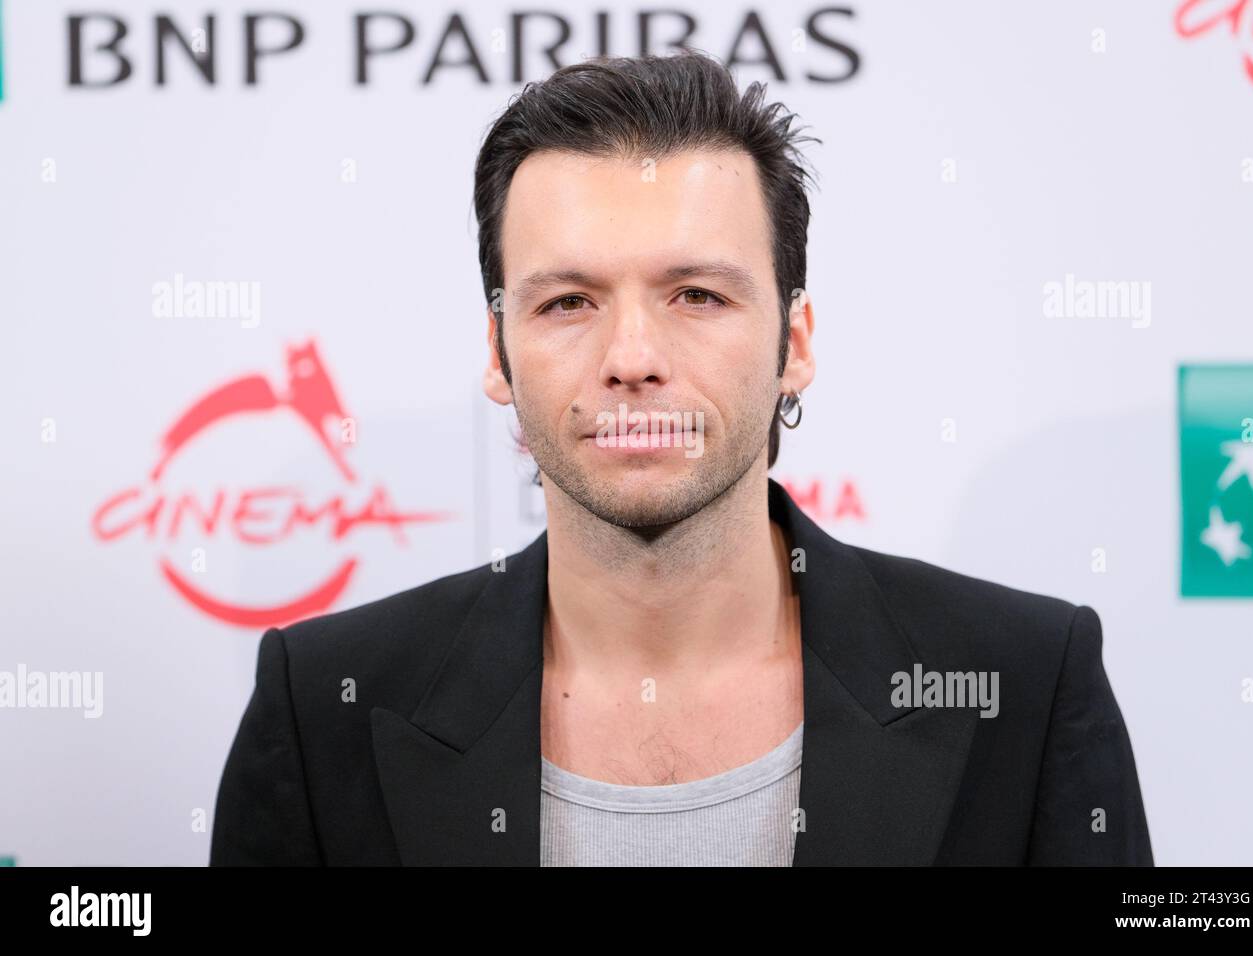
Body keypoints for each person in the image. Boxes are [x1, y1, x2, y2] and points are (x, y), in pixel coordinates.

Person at [210, 49, 1153, 866]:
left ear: (796, 343)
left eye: (697, 295)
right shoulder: (324, 704)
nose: (632, 360)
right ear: (497, 355)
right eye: (567, 302)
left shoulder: (1023, 686)